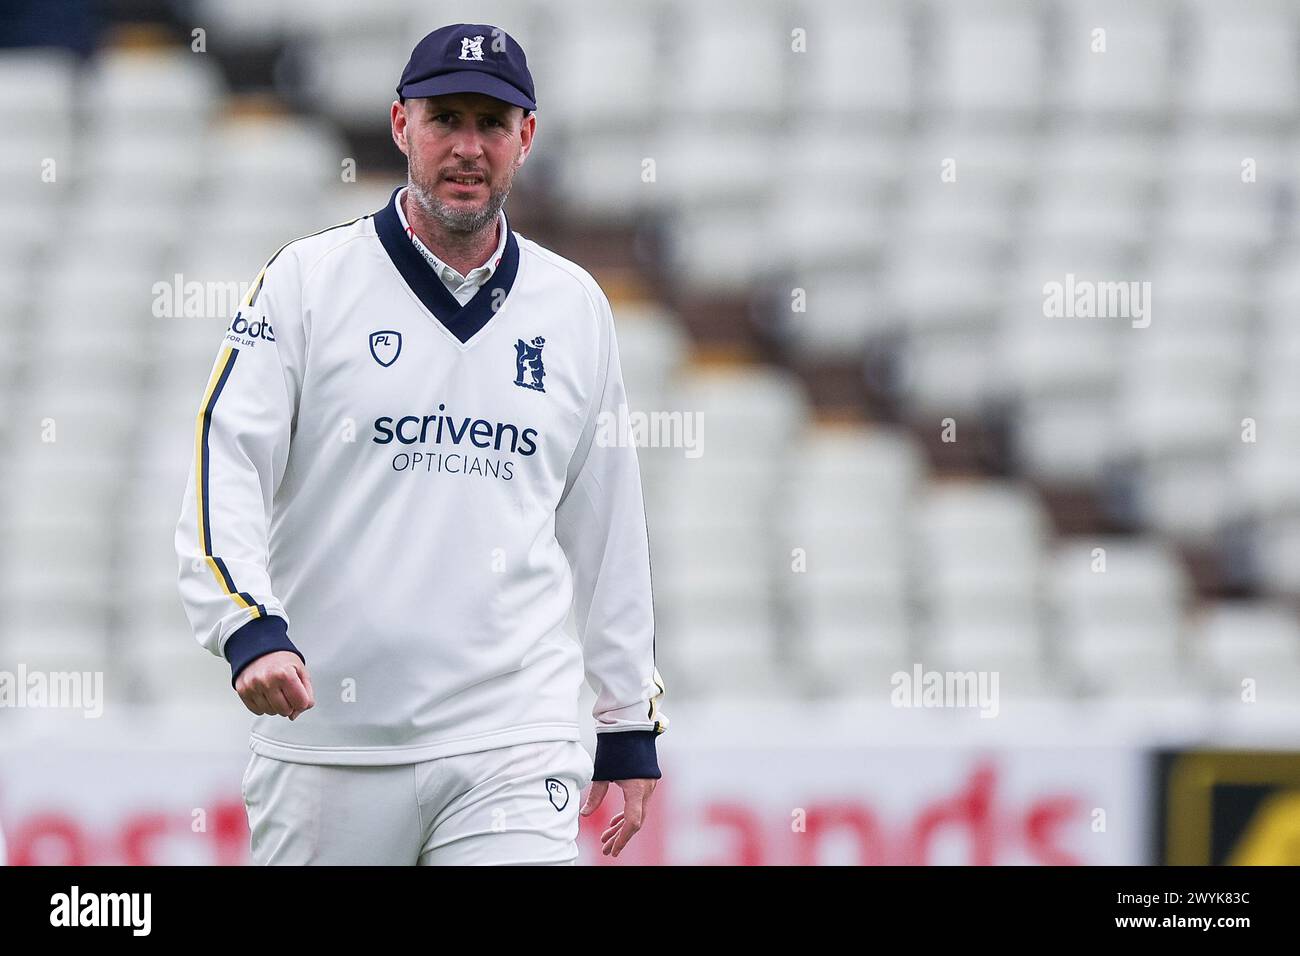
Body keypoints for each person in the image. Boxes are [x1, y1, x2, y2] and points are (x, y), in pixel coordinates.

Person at [175, 22, 666, 865]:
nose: (468, 148)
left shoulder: (575, 305)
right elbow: (226, 466)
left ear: (527, 138)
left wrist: (626, 719)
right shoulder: (305, 282)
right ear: (402, 125)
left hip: (513, 738)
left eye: (492, 123)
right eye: (446, 119)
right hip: (330, 741)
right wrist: (247, 626)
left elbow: (608, 524)